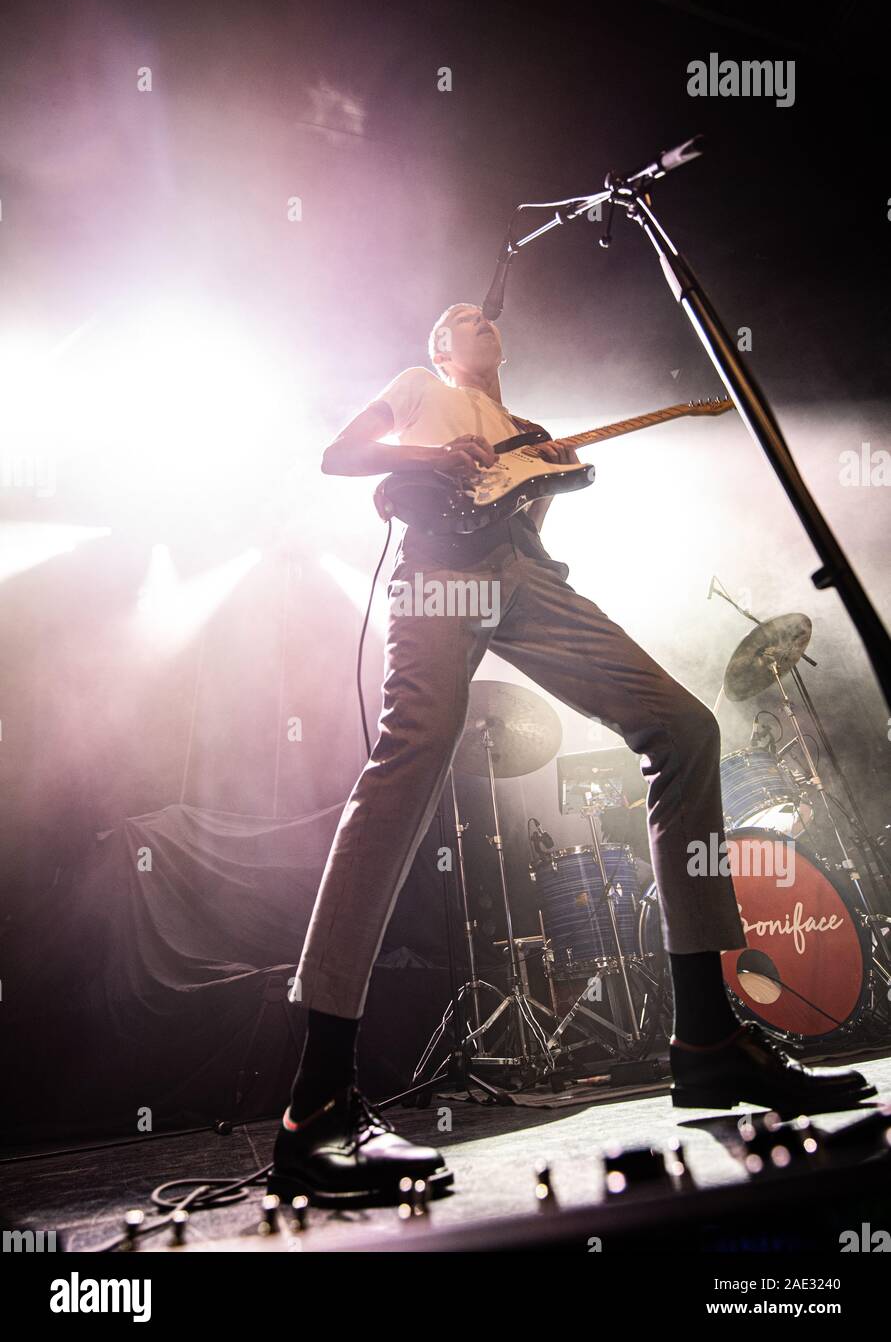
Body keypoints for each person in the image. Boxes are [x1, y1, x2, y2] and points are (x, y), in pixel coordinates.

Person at [269, 303, 873, 1208]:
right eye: (460, 318)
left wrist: (535, 473)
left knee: (684, 728)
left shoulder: (527, 430)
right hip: (441, 574)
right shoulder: (416, 388)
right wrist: (427, 461)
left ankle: (707, 1044)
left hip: (527, 578)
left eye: (483, 320)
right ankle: (315, 1104)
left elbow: (527, 525)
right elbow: (341, 457)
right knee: (413, 753)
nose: (478, 323)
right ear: (438, 346)